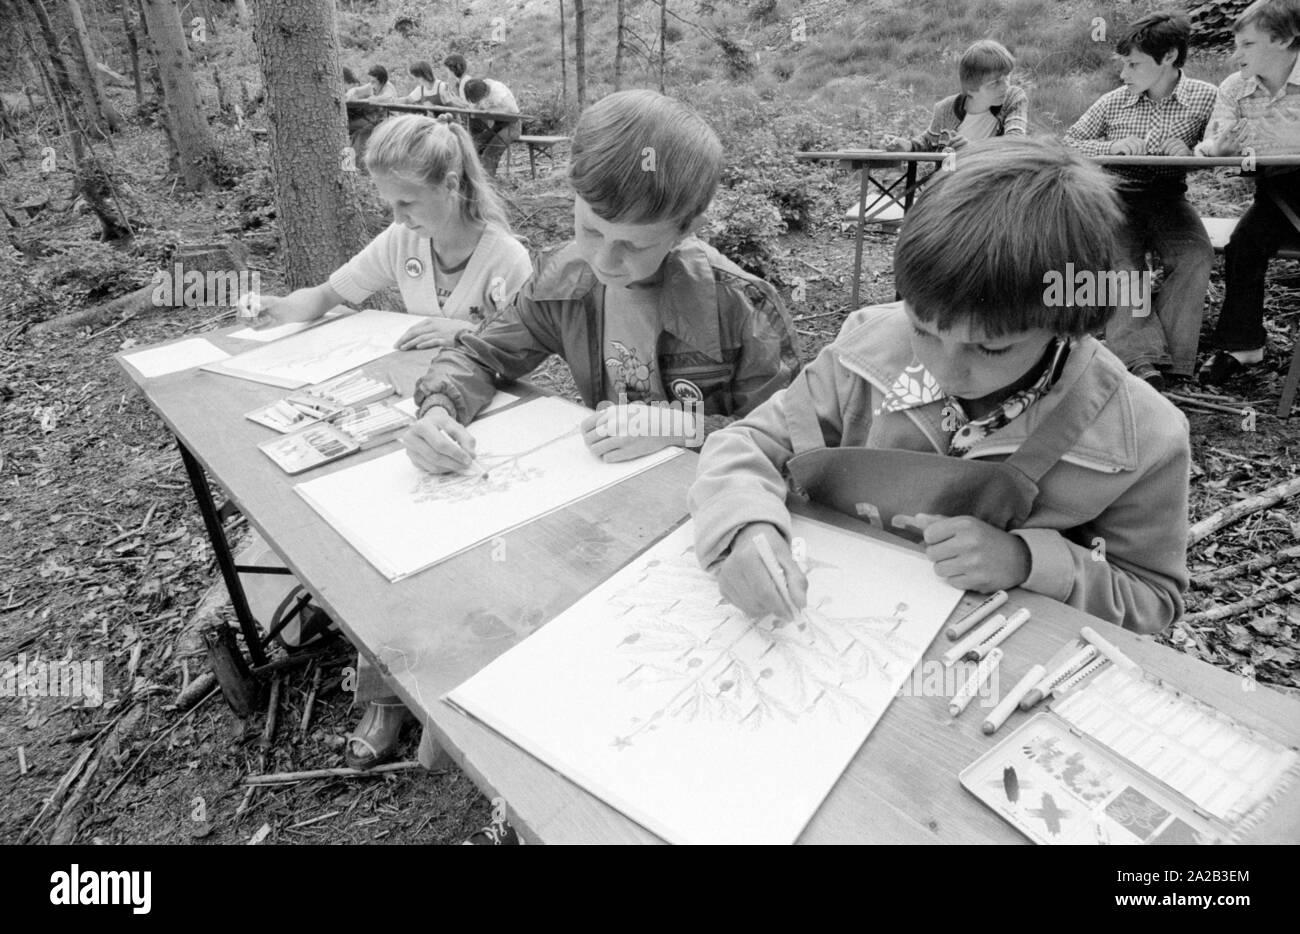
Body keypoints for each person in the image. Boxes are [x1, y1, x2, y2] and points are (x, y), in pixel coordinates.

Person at [689, 137, 1190, 634]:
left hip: (985, 663)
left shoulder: (1141, 436)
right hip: (842, 626)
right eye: (924, 331)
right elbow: (747, 443)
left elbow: (1152, 598)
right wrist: (746, 527)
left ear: (1071, 321)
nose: (947, 369)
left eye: (991, 349)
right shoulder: (863, 351)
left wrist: (1026, 561)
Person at [402, 89, 801, 476]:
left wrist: (684, 429)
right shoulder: (562, 280)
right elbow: (480, 353)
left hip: (711, 498)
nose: (604, 261)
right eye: (591, 231)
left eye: (633, 244)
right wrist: (439, 409)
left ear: (686, 229)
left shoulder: (742, 309)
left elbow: (790, 435)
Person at [254, 114, 530, 350]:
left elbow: (525, 345)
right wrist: (281, 309)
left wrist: (465, 334)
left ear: (449, 185)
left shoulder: (507, 259)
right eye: (391, 204)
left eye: (407, 203)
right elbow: (328, 294)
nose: (398, 218)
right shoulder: (403, 240)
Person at [1062, 12, 1217, 391]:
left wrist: (1194, 152)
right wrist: (1110, 147)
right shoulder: (1114, 102)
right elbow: (1067, 142)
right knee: (1121, 265)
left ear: (1168, 57)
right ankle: (1142, 361)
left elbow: (1224, 145)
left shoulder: (1206, 98)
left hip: (1168, 199)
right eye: (1123, 65)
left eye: (1134, 64)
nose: (1124, 74)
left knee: (1195, 255)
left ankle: (1176, 363)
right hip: (1114, 197)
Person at [1195, 0, 1300, 385]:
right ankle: (1243, 346)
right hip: (1275, 193)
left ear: (1286, 39)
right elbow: (1210, 146)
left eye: (1248, 45)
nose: (1236, 54)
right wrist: (1216, 152)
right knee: (1243, 246)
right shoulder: (1235, 88)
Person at [882, 39, 1027, 152]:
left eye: (1007, 77)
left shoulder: (1013, 98)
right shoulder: (946, 108)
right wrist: (908, 146)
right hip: (949, 182)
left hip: (993, 184)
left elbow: (1014, 144)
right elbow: (928, 141)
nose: (1006, 86)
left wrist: (972, 149)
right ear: (972, 89)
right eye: (995, 83)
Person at [464, 76, 521, 176]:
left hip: (512, 125)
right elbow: (474, 109)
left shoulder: (499, 93)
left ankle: (488, 183)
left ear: (484, 93)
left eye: (477, 99)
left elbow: (513, 113)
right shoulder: (479, 89)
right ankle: (472, 178)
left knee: (490, 153)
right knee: (474, 146)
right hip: (497, 125)